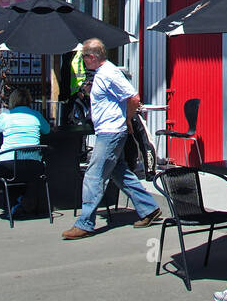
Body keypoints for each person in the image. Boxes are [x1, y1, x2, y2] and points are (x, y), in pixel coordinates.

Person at [62, 39, 161, 239]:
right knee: (119, 172)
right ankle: (149, 208)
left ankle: (85, 223)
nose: (83, 62)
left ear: (92, 57)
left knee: (93, 175)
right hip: (108, 131)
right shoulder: (101, 74)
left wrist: (127, 119)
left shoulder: (109, 73)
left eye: (84, 58)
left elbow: (133, 97)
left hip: (111, 132)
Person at [0, 88, 50, 217]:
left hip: (8, 164)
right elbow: (47, 130)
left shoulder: (6, 116)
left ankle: (15, 202)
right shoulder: (36, 115)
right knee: (26, 175)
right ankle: (24, 200)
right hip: (34, 164)